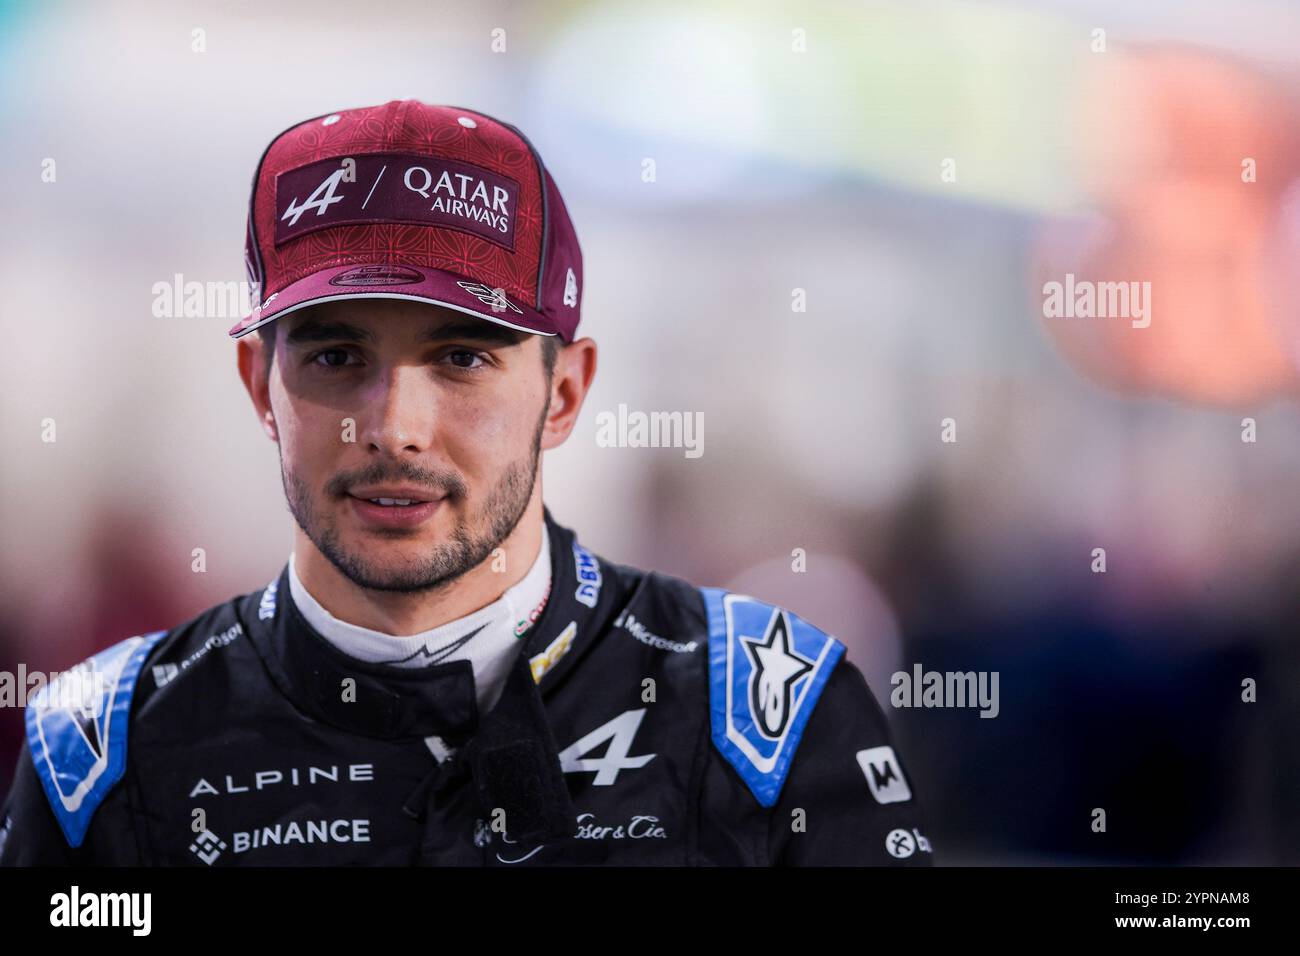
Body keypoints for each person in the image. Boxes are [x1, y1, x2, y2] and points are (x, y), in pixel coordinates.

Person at [0, 100, 931, 866]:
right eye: (334, 356)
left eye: (460, 357)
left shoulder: (763, 719)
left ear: (564, 393)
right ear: (261, 388)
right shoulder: (102, 752)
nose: (396, 428)